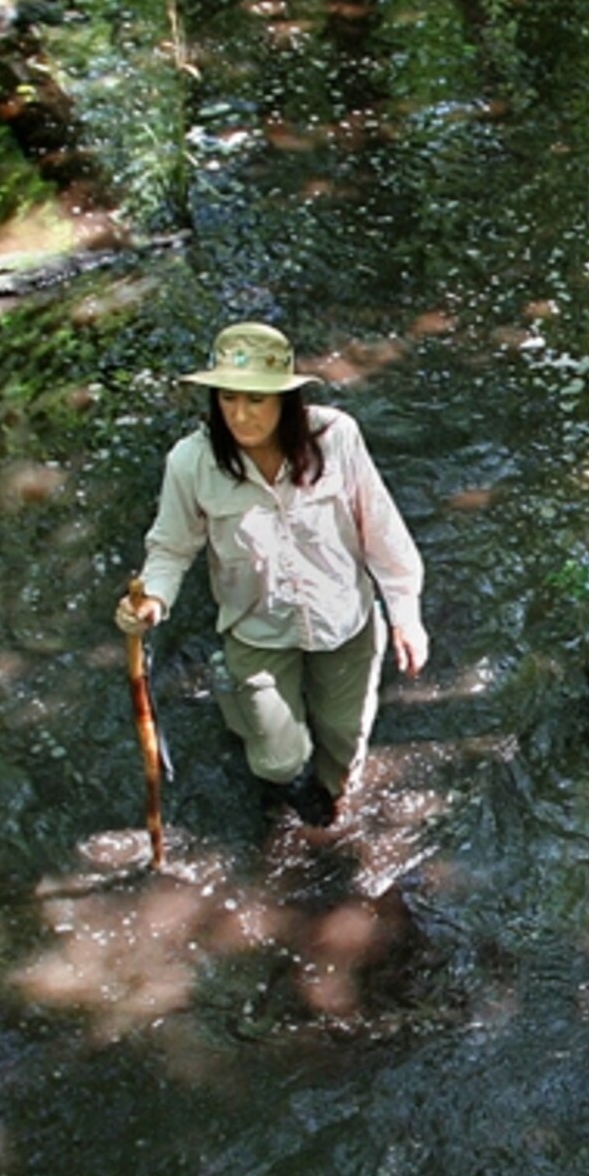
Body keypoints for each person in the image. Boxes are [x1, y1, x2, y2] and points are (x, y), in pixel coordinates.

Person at [113, 322, 427, 824]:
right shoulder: (191, 462)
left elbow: (381, 530)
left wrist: (405, 614)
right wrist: (152, 599)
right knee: (277, 761)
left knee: (344, 754)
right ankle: (238, 698)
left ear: (286, 400)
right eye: (228, 398)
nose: (240, 415)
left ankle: (326, 801)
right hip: (256, 626)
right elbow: (171, 548)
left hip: (344, 621)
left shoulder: (336, 439)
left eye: (256, 400)